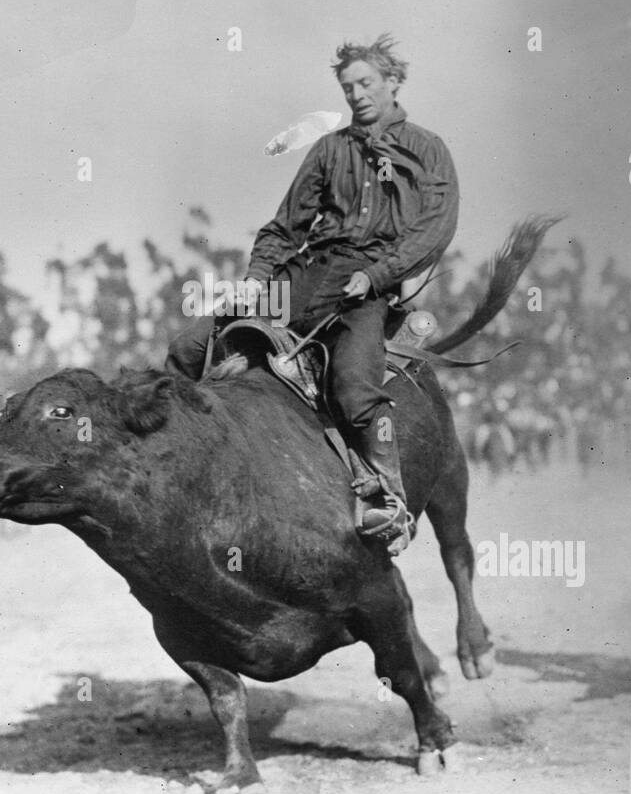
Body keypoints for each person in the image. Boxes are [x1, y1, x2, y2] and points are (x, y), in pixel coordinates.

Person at [166, 33, 459, 552]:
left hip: (364, 287)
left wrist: (378, 275)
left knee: (353, 386)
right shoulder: (329, 149)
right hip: (302, 277)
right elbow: (284, 227)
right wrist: (257, 281)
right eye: (348, 87)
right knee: (190, 346)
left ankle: (389, 501)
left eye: (366, 83)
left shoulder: (427, 149)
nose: (357, 95)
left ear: (392, 82)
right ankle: (176, 472)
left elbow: (434, 227)